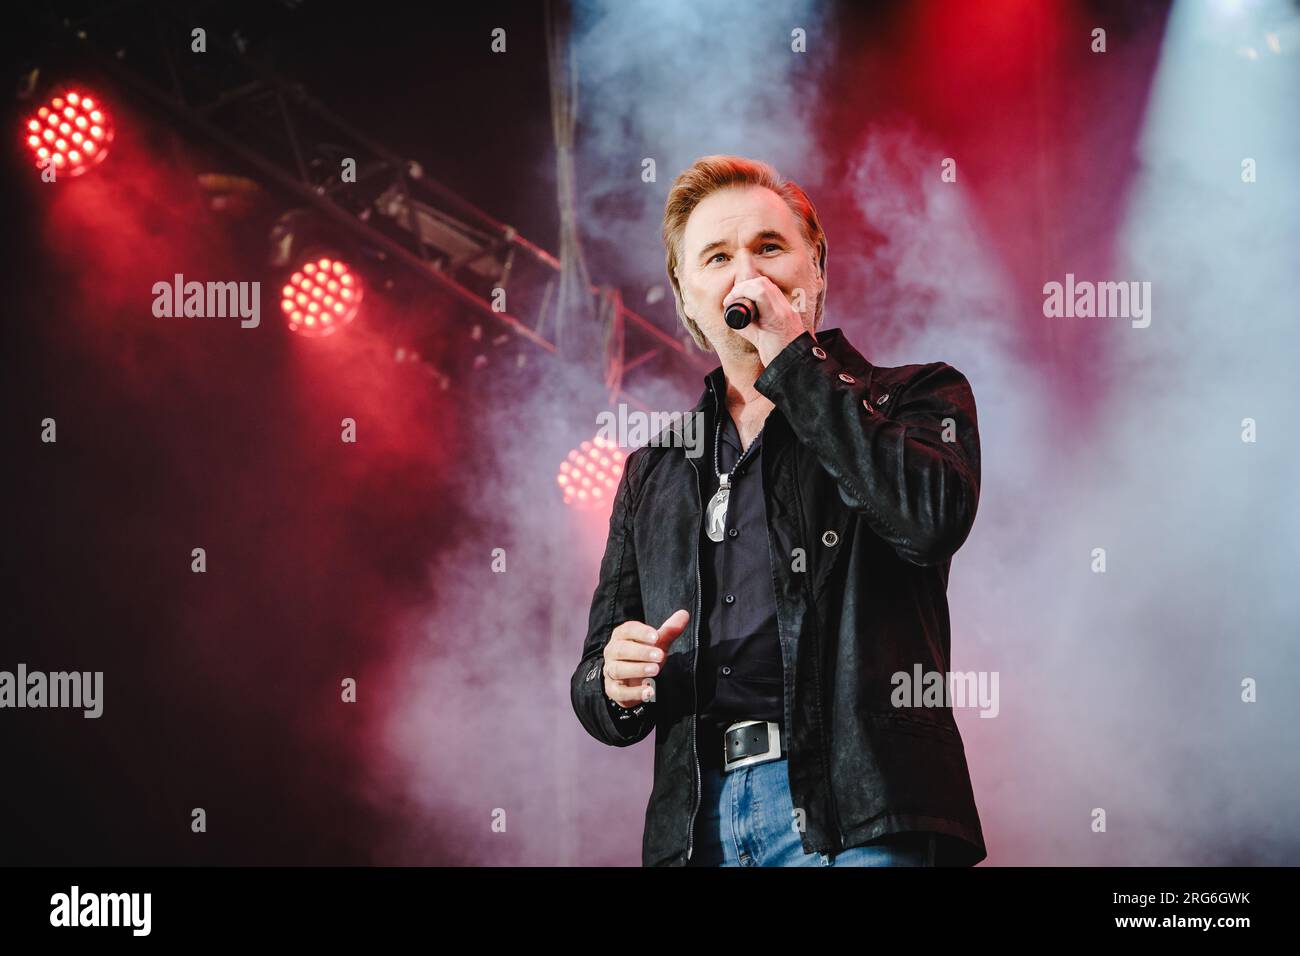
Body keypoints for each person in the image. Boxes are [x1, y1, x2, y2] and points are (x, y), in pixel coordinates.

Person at [571, 155, 986, 867]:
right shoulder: (655, 469)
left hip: (855, 816)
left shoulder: (914, 397)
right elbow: (595, 683)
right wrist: (613, 678)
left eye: (769, 247)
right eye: (718, 257)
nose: (747, 273)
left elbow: (930, 519)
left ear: (815, 267)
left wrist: (794, 358)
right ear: (686, 294)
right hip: (699, 828)